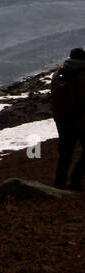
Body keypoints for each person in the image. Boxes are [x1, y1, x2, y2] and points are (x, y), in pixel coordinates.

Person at [51, 48, 85, 189]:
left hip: (62, 119)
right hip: (80, 119)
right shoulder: (83, 74)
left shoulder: (58, 74)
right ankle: (75, 180)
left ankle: (59, 183)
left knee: (66, 153)